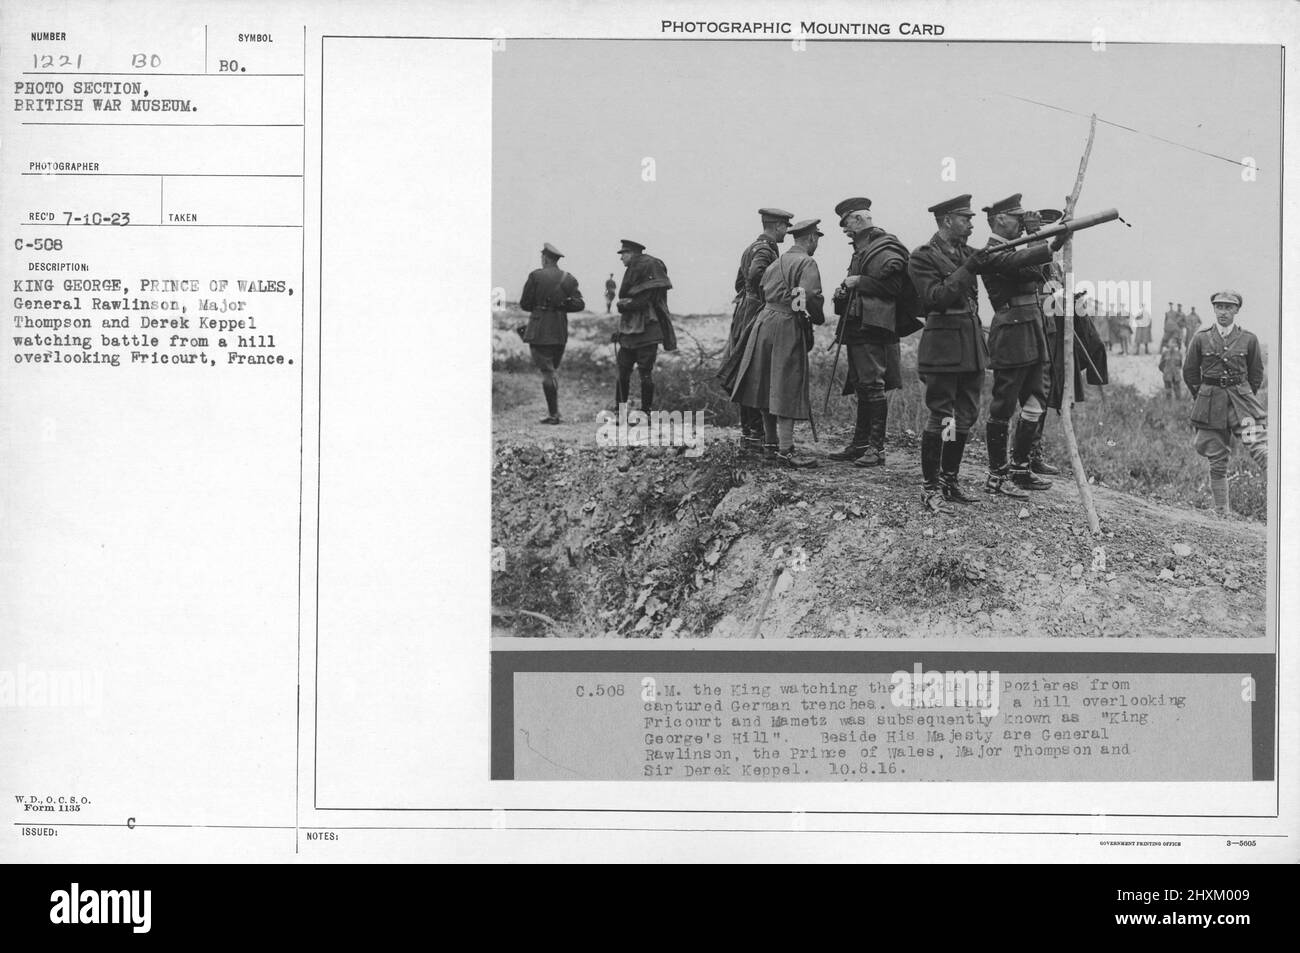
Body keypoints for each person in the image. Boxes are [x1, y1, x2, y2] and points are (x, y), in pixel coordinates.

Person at [907, 195, 996, 509]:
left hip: (970, 345)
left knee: (966, 416)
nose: (972, 224)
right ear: (947, 220)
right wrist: (969, 268)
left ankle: (950, 480)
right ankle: (930, 487)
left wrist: (1049, 246)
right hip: (944, 347)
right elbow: (935, 298)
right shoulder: (922, 256)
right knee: (942, 415)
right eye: (966, 218)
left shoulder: (965, 253)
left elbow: (1007, 262)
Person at [978, 194, 1066, 498]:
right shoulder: (991, 252)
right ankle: (997, 475)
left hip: (1032, 329)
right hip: (1012, 333)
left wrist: (1038, 240)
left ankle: (1020, 468)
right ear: (999, 219)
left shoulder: (1014, 249)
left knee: (1035, 401)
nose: (1021, 222)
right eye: (1017, 218)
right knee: (1004, 404)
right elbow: (1023, 262)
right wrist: (1038, 238)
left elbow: (1039, 271)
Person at [730, 219, 825, 468]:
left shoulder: (776, 261)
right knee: (786, 384)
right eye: (817, 239)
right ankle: (785, 451)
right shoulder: (807, 262)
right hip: (786, 325)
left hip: (764, 322)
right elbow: (808, 297)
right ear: (812, 238)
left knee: (765, 384)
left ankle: (770, 445)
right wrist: (816, 318)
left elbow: (759, 288)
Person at [826, 196, 909, 468]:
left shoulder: (884, 248)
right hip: (858, 326)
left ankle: (876, 449)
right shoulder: (862, 249)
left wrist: (859, 281)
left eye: (847, 223)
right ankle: (860, 445)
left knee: (873, 385)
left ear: (860, 219)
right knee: (863, 386)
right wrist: (845, 291)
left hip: (873, 327)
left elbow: (895, 288)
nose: (845, 229)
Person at [1182, 290, 1267, 517]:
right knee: (1216, 458)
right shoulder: (1201, 338)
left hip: (1243, 407)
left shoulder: (1249, 339)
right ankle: (1222, 513)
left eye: (1228, 307)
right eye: (1219, 307)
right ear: (1214, 309)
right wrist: (1203, 397)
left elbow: (1256, 374)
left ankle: (1283, 506)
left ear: (1237, 310)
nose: (1223, 312)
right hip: (1211, 408)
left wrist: (1245, 396)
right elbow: (1190, 372)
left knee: (1259, 448)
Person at [718, 208, 792, 452]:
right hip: (755, 311)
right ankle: (754, 432)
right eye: (785, 227)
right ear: (776, 226)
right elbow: (756, 273)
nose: (786, 232)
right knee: (750, 370)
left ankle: (751, 432)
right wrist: (767, 297)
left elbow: (740, 282)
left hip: (745, 309)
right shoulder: (764, 249)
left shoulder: (753, 246)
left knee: (745, 368)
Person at [518, 242, 584, 424]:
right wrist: (561, 305)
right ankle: (554, 413)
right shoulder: (568, 278)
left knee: (547, 373)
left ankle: (553, 414)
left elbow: (524, 304)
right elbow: (579, 304)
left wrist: (540, 306)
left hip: (539, 330)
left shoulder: (535, 276)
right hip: (559, 331)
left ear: (545, 258)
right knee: (551, 370)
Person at [613, 239, 677, 412]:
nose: (621, 258)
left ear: (631, 254)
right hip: (636, 331)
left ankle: (636, 412)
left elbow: (641, 301)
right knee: (637, 373)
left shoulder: (642, 267)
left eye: (623, 254)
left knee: (635, 373)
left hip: (646, 329)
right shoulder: (642, 267)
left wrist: (623, 305)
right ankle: (635, 412)